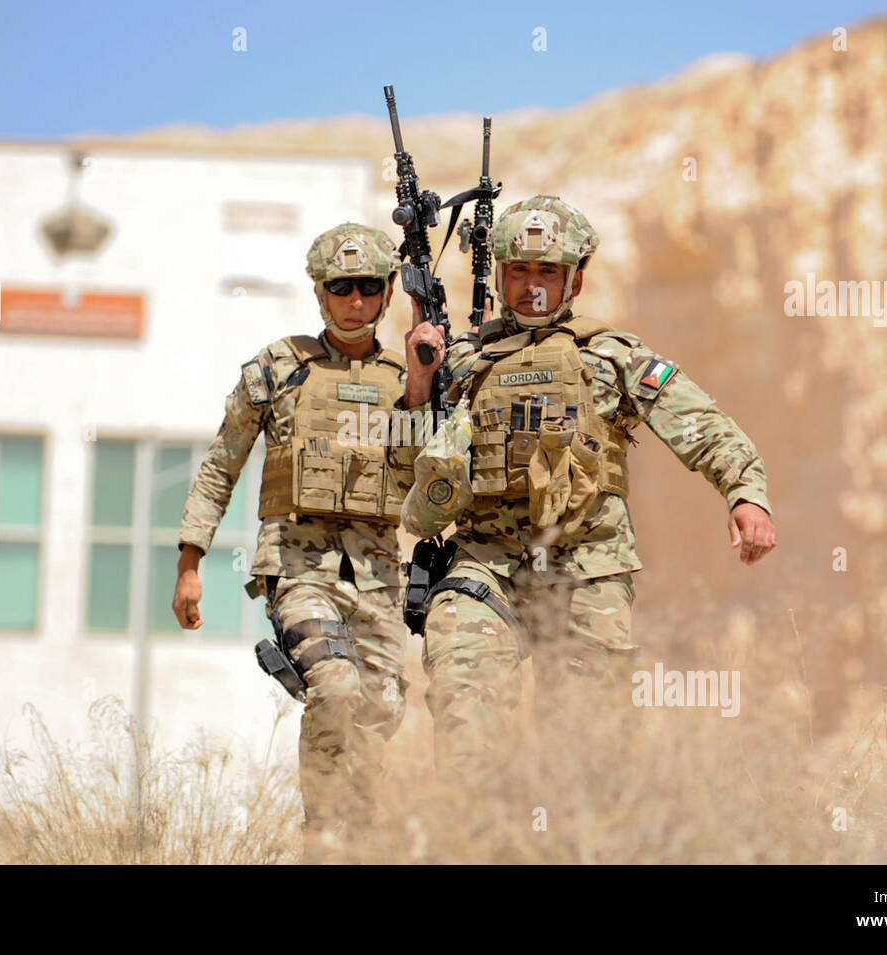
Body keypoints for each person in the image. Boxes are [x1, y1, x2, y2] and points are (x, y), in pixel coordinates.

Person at [391, 194, 778, 790]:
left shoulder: (612, 356)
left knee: (586, 752)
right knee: (466, 711)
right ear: (500, 274)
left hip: (586, 567)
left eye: (547, 272)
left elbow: (700, 424)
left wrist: (746, 492)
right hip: (485, 563)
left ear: (575, 280)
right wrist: (420, 382)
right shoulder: (462, 361)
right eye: (519, 270)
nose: (532, 286)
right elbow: (404, 469)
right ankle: (480, 832)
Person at [174, 223, 410, 853]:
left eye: (368, 287)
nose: (355, 301)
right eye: (342, 287)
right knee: (334, 686)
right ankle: (322, 837)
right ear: (319, 291)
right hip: (299, 569)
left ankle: (359, 842)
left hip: (380, 577)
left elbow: (441, 477)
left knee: (379, 715)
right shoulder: (277, 369)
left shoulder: (407, 379)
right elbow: (222, 463)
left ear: (389, 292)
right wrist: (190, 562)